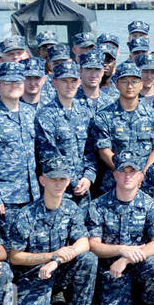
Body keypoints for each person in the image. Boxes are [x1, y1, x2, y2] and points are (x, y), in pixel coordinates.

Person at [1, 160, 104, 305]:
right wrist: (51, 255)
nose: (58, 184)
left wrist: (56, 260)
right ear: (42, 181)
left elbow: (84, 243)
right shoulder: (26, 215)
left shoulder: (71, 209)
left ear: (68, 181)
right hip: (32, 277)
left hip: (57, 271)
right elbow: (14, 257)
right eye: (53, 179)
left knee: (87, 259)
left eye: (62, 179)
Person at [86, 150, 154, 305]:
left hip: (139, 267)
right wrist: (120, 250)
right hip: (113, 272)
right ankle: (124, 303)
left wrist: (125, 258)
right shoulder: (98, 206)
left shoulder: (151, 206)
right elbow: (94, 246)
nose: (127, 176)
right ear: (115, 174)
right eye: (122, 171)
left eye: (132, 172)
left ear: (140, 175)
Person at [0, 61, 41, 224]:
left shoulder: (30, 113)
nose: (13, 86)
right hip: (5, 199)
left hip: (33, 195)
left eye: (17, 81)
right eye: (8, 82)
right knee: (7, 248)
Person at [91, 61, 154, 193]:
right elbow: (104, 151)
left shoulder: (153, 116)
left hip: (145, 183)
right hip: (115, 184)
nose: (130, 86)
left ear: (141, 84)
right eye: (124, 81)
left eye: (134, 81)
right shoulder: (104, 117)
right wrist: (125, 175)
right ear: (117, 85)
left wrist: (141, 174)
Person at [34, 59, 98, 204]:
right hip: (59, 190)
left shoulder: (85, 112)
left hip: (84, 189)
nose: (69, 85)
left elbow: (91, 151)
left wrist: (88, 177)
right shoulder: (46, 115)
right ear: (55, 83)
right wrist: (74, 181)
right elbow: (49, 154)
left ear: (79, 82)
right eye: (64, 81)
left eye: (73, 81)